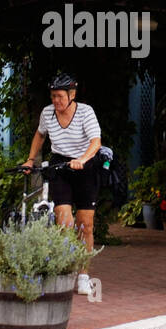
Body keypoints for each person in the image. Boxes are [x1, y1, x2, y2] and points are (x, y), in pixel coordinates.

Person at [22, 73, 101, 296]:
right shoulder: (48, 113)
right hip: (60, 166)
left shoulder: (85, 112)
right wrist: (30, 159)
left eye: (59, 96)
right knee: (64, 221)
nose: (56, 101)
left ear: (72, 95)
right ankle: (66, 269)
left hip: (85, 166)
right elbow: (40, 135)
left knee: (85, 224)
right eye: (53, 96)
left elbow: (96, 142)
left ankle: (84, 275)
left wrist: (83, 160)